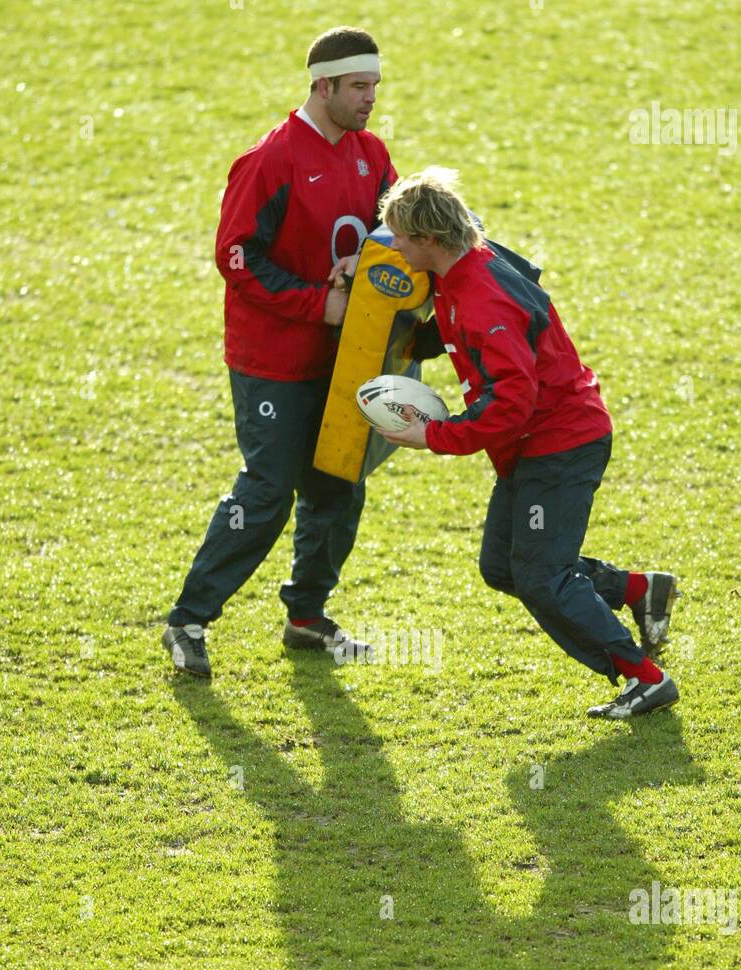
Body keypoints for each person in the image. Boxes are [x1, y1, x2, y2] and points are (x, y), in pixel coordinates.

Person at [376, 168, 680, 720]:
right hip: (533, 444)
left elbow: (513, 401)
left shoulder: (481, 298)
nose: (393, 245)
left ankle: (645, 678)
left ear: (431, 240)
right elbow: (465, 328)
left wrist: (433, 436)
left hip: (559, 442)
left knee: (542, 576)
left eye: (400, 236)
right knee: (503, 566)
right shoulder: (465, 266)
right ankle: (639, 589)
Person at [162, 27, 396, 677]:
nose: (369, 99)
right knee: (266, 492)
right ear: (321, 86)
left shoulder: (369, 154)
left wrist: (371, 259)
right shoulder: (270, 159)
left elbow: (391, 230)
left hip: (343, 359)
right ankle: (188, 621)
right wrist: (316, 303)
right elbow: (236, 257)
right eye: (358, 87)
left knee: (338, 485)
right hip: (273, 364)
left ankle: (306, 615)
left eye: (374, 86)